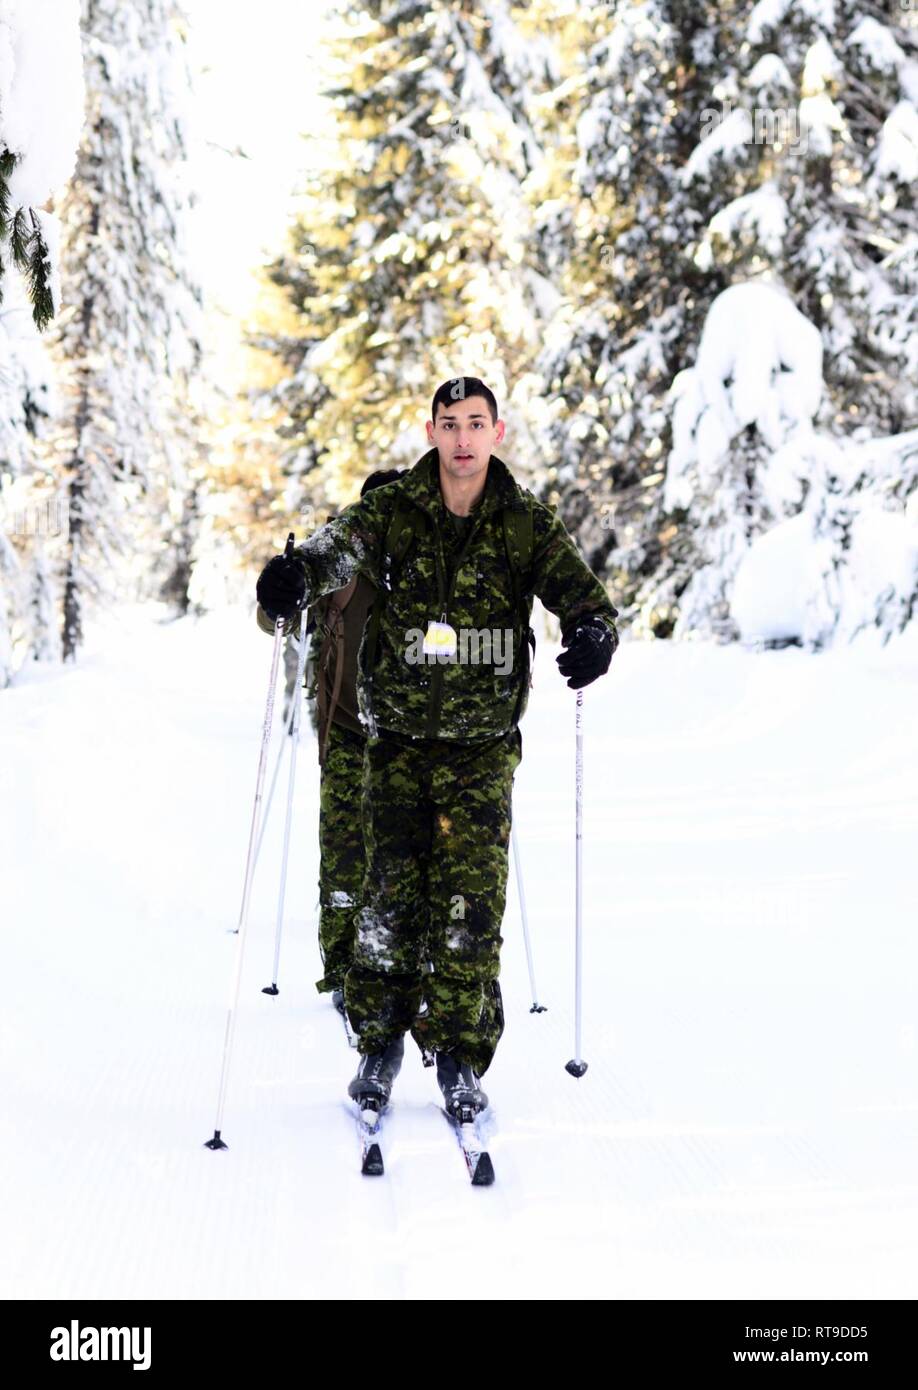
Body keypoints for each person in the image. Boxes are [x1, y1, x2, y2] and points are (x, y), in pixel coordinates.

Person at [256, 377, 619, 1119]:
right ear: (430, 430)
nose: (461, 438)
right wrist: (294, 573)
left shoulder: (524, 524)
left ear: (498, 432)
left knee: (470, 907)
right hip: (394, 745)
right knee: (389, 900)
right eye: (449, 423)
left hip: (481, 752)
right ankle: (379, 1045)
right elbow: (336, 549)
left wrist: (594, 635)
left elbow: (582, 596)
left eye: (475, 423)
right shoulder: (395, 510)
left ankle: (459, 1054)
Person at [256, 470, 403, 1018]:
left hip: (413, 738)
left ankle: (410, 963)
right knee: (344, 856)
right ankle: (342, 969)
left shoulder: (424, 556)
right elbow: (277, 612)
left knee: (410, 858)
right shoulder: (338, 558)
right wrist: (277, 597)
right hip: (345, 731)